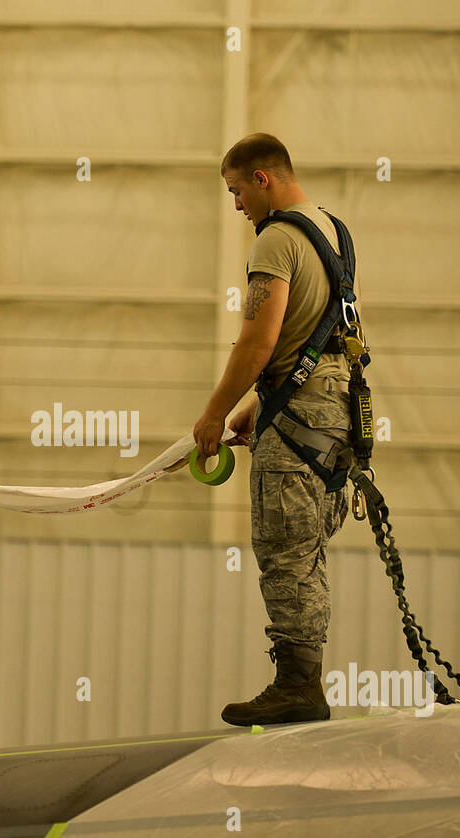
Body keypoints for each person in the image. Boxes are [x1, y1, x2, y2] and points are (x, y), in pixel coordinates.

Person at [192, 134, 358, 725]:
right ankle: (301, 680)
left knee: (285, 553)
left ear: (262, 179)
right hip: (335, 416)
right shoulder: (333, 230)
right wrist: (261, 408)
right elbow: (317, 331)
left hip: (298, 424)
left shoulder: (276, 240)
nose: (236, 204)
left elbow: (259, 340)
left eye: (236, 190)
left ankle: (298, 686)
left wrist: (215, 411)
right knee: (306, 551)